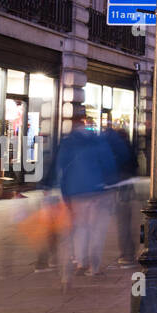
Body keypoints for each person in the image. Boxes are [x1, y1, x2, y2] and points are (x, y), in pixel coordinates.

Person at [46, 115, 117, 282]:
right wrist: (110, 184)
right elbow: (108, 163)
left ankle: (80, 262)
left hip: (76, 191)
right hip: (98, 190)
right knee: (96, 229)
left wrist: (58, 190)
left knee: (80, 227)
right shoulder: (98, 140)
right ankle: (95, 266)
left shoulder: (68, 142)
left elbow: (59, 166)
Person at [102, 125, 139, 266]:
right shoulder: (126, 144)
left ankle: (83, 260)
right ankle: (128, 253)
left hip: (112, 185)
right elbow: (134, 163)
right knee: (125, 219)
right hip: (126, 184)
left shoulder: (106, 144)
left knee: (122, 219)